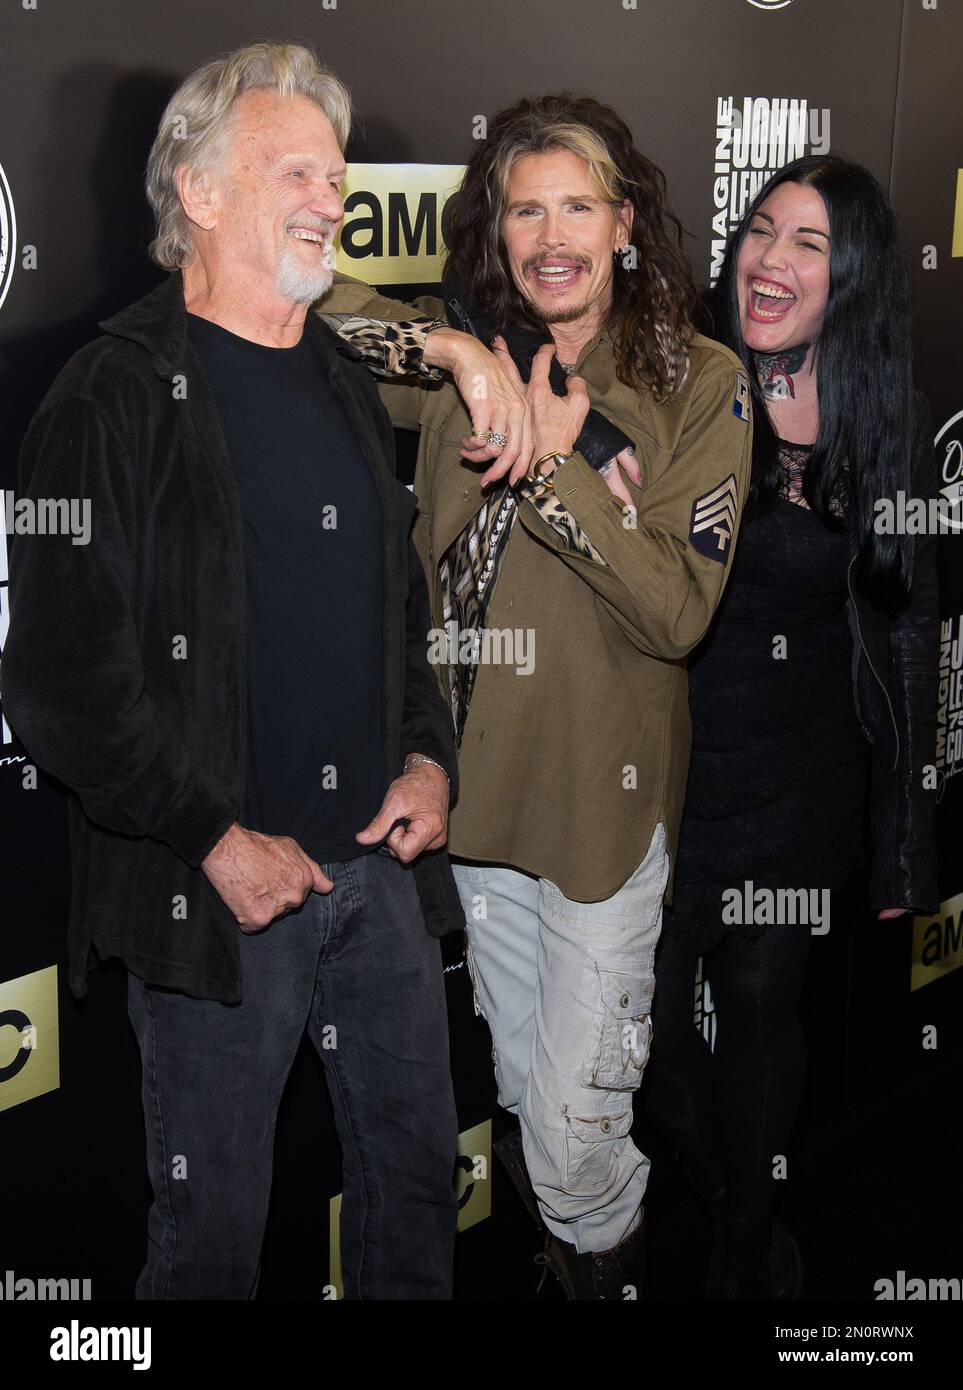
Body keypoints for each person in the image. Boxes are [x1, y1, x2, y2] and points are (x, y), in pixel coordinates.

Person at [0, 42, 480, 1300]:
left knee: (415, 1206)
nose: (334, 196)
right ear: (199, 191)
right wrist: (213, 836)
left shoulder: (343, 380)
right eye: (296, 170)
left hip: (379, 883)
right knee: (211, 1251)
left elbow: (403, 614)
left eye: (339, 173)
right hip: (217, 903)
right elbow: (58, 676)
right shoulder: (108, 395)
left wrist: (430, 756)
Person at [317, 93, 753, 1298]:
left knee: (576, 1134)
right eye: (523, 210)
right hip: (478, 819)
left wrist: (558, 465)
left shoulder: (696, 381)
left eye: (576, 206)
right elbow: (324, 309)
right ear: (495, 232)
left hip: (601, 827)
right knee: (524, 1099)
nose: (549, 235)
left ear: (625, 222)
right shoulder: (476, 363)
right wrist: (455, 351)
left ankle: (609, 1267)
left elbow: (677, 611)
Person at [637, 155, 940, 1298]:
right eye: (762, 230)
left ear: (850, 276)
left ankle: (745, 1247)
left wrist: (904, 833)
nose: (770, 259)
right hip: (665, 777)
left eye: (808, 243)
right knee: (648, 1053)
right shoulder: (679, 380)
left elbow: (907, 631)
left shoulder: (886, 416)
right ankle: (722, 1202)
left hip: (802, 788)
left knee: (766, 1030)